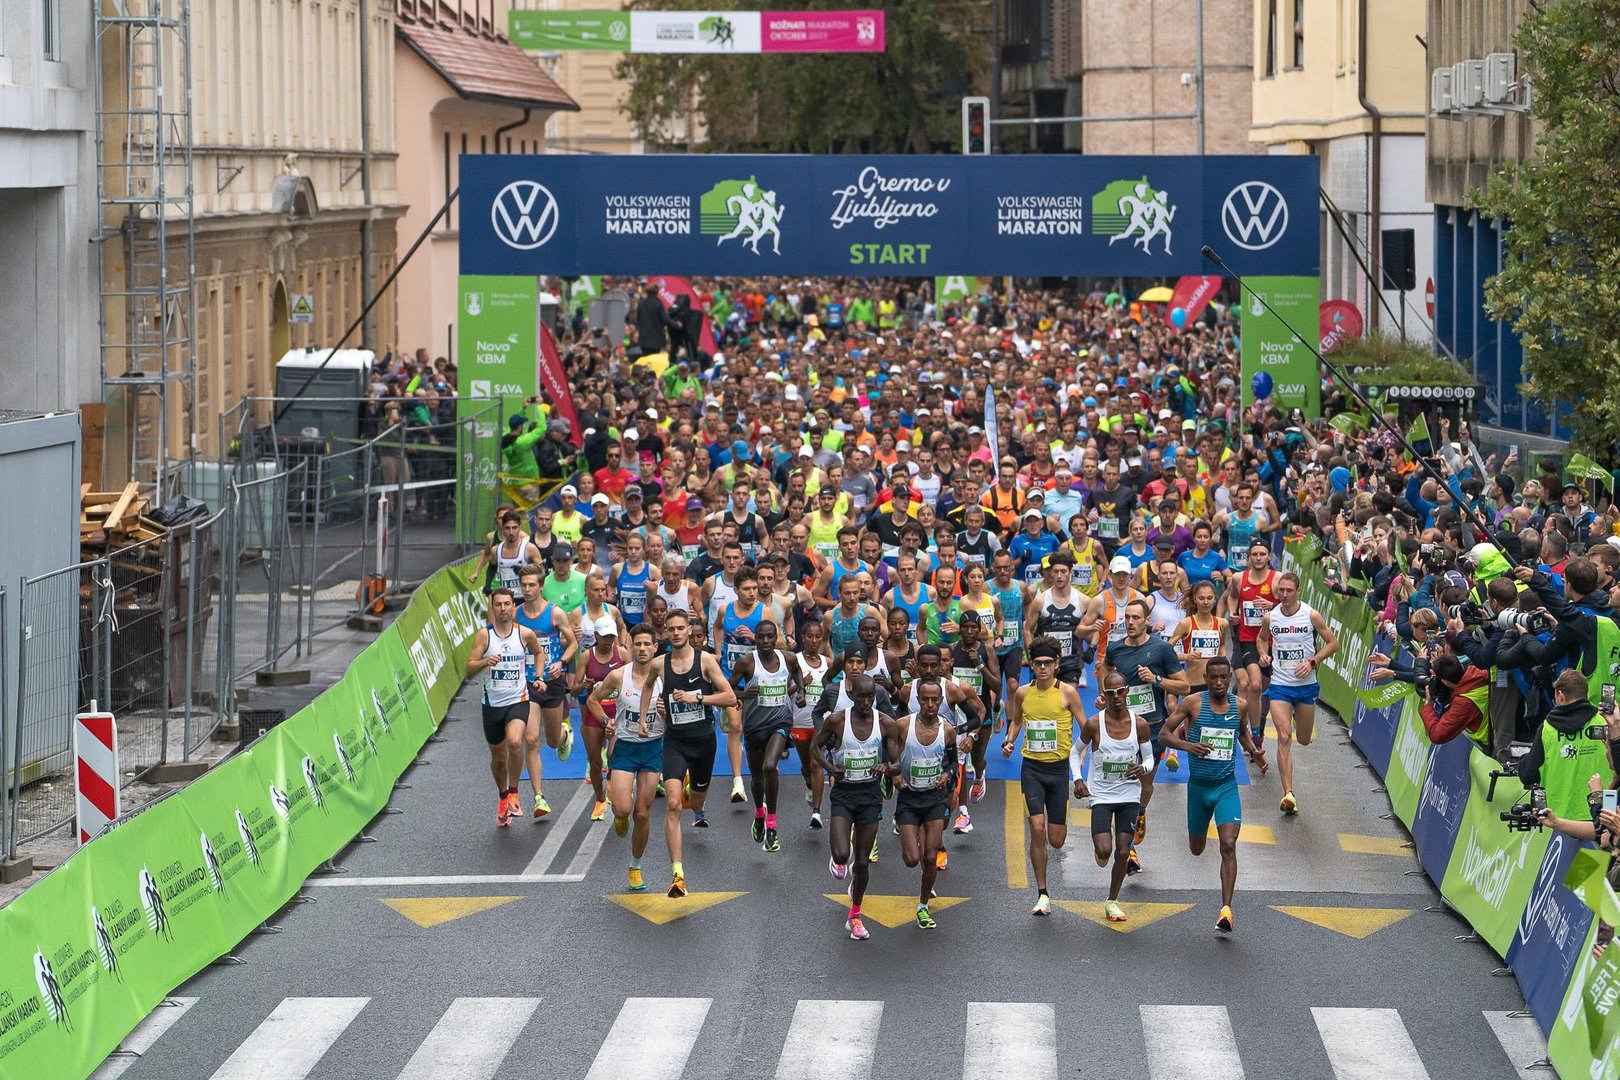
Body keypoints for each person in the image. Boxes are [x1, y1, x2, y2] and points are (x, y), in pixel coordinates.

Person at [1158, 656, 1267, 932]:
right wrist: (1188, 746)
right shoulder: (1192, 703)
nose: (1219, 682)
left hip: (1226, 787)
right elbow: (1164, 735)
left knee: (1228, 844)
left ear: (1230, 678)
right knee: (1196, 849)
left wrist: (1254, 752)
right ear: (1205, 679)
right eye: (1213, 678)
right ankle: (1202, 827)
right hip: (1198, 788)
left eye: (1223, 677)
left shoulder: (1240, 706)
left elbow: (1240, 733)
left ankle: (1226, 910)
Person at [639, 610, 737, 898]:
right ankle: (677, 874)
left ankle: (692, 795)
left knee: (695, 802)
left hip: (703, 742)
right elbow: (647, 686)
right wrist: (644, 718)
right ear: (666, 633)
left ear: (689, 630)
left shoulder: (704, 660)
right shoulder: (659, 664)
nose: (676, 633)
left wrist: (698, 698)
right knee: (672, 804)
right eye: (671, 629)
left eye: (681, 628)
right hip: (675, 742)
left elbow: (730, 697)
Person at [1102, 598, 1190, 871]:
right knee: (1123, 784)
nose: (1130, 622)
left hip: (1151, 726)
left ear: (1147, 620)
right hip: (1122, 726)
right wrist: (1104, 697)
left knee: (1144, 783)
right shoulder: (1115, 649)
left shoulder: (1161, 649)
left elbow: (1185, 687)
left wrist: (1156, 680)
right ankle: (1128, 848)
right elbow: (1104, 675)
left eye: (1136, 618)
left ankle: (1140, 811)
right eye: (1127, 617)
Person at [811, 674, 900, 940]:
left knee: (862, 861)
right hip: (844, 794)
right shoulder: (837, 721)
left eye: (870, 697)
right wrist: (830, 768)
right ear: (852, 696)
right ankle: (839, 859)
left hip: (870, 796)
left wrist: (886, 767)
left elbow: (897, 763)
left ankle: (855, 916)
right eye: (861, 697)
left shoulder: (885, 723)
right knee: (842, 854)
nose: (866, 702)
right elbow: (815, 747)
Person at [1003, 636, 1087, 916]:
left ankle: (1044, 889)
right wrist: (1009, 740)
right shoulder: (1022, 693)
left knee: (1057, 840)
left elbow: (1085, 728)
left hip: (1058, 770)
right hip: (1032, 769)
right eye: (1037, 663)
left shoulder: (1068, 693)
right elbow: (1017, 721)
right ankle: (1042, 893)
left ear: (1056, 665)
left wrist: (1081, 757)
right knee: (1036, 828)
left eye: (1047, 663)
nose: (1042, 668)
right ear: (1031, 664)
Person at [587, 625, 664, 892]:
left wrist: (666, 713)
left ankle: (635, 865)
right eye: (637, 644)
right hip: (625, 747)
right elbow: (593, 700)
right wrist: (605, 721)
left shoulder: (664, 678)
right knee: (622, 809)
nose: (642, 649)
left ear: (655, 647)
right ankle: (620, 817)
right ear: (630, 647)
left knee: (642, 813)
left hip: (653, 748)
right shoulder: (619, 676)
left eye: (647, 644)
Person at [1073, 671, 1154, 922]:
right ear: (1104, 696)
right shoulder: (1093, 724)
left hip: (1129, 794)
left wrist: (1143, 768)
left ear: (1127, 691)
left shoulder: (1140, 724)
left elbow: (1149, 758)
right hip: (1101, 795)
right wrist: (1078, 780)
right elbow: (1075, 752)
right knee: (1104, 851)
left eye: (1120, 691)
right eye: (1111, 693)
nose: (1116, 697)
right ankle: (1101, 848)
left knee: (1122, 851)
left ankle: (1112, 901)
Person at [1256, 571, 1339, 815]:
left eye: (1289, 591)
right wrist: (1263, 654)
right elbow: (1261, 639)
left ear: (1298, 591)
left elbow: (1333, 643)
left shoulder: (1311, 615)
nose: (1284, 595)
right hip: (1280, 686)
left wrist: (1312, 661)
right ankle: (1288, 793)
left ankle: (1298, 718)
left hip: (1306, 686)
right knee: (1284, 736)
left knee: (1302, 739)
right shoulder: (1271, 617)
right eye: (1281, 590)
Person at [465, 588, 546, 827]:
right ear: (492, 608)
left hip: (518, 700)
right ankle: (502, 797)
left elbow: (539, 652)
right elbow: (468, 668)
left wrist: (538, 676)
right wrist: (484, 662)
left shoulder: (524, 634)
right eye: (498, 604)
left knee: (515, 742)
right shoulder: (485, 636)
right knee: (499, 759)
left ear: (513, 606)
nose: (503, 609)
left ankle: (513, 792)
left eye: (507, 604)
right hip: (492, 705)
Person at [889, 678, 964, 929]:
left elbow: (952, 762)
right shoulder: (903, 725)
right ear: (918, 700)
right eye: (925, 699)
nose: (930, 704)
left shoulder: (948, 730)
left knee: (931, 857)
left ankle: (922, 905)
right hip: (909, 799)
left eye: (935, 700)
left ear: (941, 701)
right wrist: (895, 774)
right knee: (912, 859)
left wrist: (947, 775)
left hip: (934, 798)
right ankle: (918, 842)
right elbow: (889, 754)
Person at [728, 620, 803, 853]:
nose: (766, 641)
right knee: (757, 777)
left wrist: (801, 691)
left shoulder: (788, 658)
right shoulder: (747, 662)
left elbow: (797, 672)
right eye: (761, 637)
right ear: (755, 638)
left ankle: (772, 824)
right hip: (755, 726)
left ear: (776, 636)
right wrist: (744, 694)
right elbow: (726, 690)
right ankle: (759, 813)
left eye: (770, 636)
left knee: (770, 766)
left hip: (780, 722)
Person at [515, 566, 576, 817]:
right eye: (524, 585)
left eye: (532, 585)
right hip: (527, 683)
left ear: (541, 586)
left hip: (552, 682)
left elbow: (573, 643)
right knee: (531, 739)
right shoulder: (516, 614)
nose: (527, 589)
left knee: (551, 741)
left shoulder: (555, 613)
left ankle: (564, 734)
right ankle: (539, 798)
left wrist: (561, 663)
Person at [1518, 670, 1616, 820]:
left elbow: (1528, 775)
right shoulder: (1606, 723)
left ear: (1560, 695)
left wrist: (1523, 762)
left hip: (1559, 820)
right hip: (1604, 816)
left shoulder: (1547, 729)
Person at [714, 564, 772, 806]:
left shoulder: (764, 611)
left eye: (754, 588)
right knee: (735, 726)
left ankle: (761, 767)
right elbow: (717, 627)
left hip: (757, 681)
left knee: (757, 730)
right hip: (731, 679)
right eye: (747, 589)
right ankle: (737, 781)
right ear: (736, 590)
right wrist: (719, 651)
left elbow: (778, 643)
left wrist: (754, 638)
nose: (752, 592)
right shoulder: (725, 610)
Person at [1225, 539, 1278, 746]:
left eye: (1262, 554)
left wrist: (1272, 605)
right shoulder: (1239, 578)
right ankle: (1255, 734)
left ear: (1269, 556)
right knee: (1254, 684)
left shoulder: (1277, 579)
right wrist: (1233, 612)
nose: (1258, 558)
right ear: (1248, 558)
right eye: (1254, 554)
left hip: (1272, 641)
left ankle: (1260, 721)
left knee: (1266, 688)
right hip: (1247, 639)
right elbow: (1232, 596)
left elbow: (1291, 605)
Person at [577, 616, 626, 821]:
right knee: (595, 762)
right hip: (594, 713)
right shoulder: (586, 657)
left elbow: (635, 678)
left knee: (614, 754)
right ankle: (599, 800)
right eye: (605, 636)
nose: (608, 640)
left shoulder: (622, 653)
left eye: (612, 636)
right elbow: (573, 690)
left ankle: (612, 781)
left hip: (617, 713)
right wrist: (584, 685)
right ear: (596, 636)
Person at [792, 619, 833, 828]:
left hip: (821, 723)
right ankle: (809, 783)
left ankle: (816, 812)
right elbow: (783, 691)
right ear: (803, 638)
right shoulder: (794, 661)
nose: (814, 641)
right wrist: (800, 686)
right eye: (810, 636)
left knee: (817, 763)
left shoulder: (828, 663)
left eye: (818, 637)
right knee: (807, 766)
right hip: (799, 722)